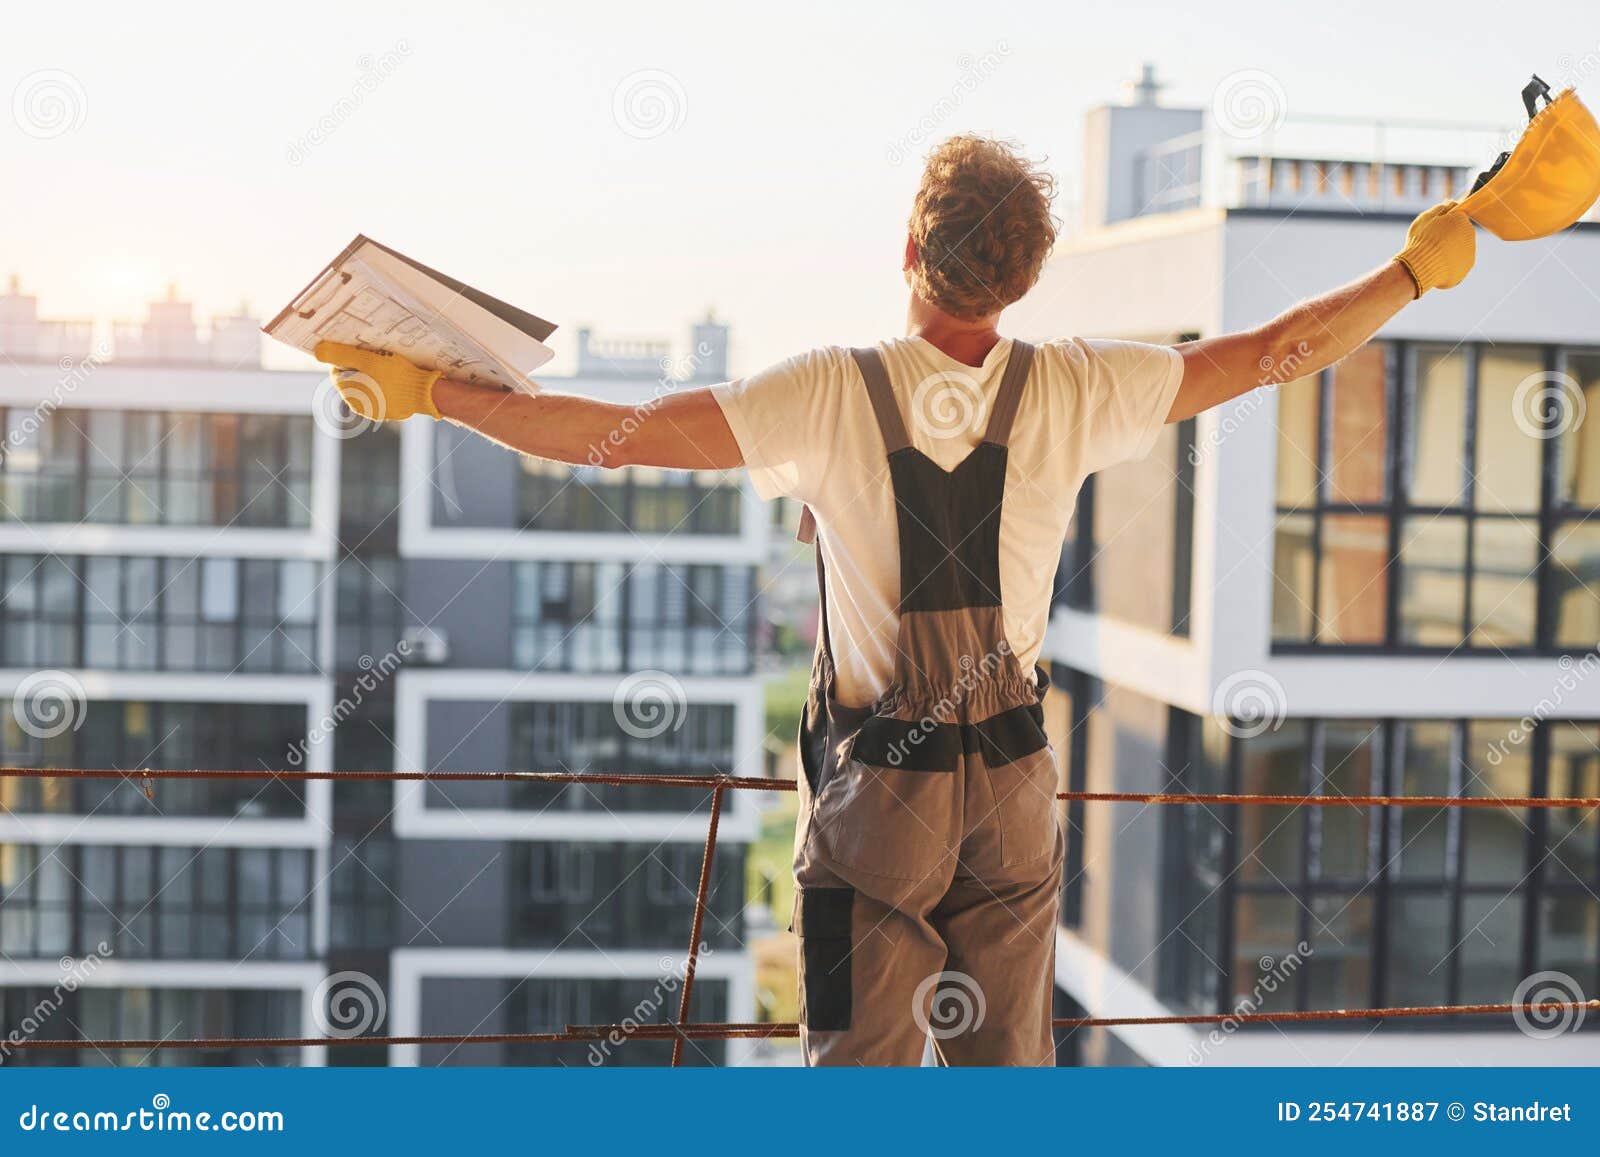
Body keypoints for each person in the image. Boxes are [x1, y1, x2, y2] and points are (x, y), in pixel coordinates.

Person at [315, 135, 1475, 1066]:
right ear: (1021, 277)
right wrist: (1423, 262)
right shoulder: (1078, 383)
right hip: (1016, 782)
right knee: (1006, 1074)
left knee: (854, 1078)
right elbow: (1278, 349)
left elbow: (606, 439)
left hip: (878, 797)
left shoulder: (825, 391)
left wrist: (440, 393)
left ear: (908, 248)